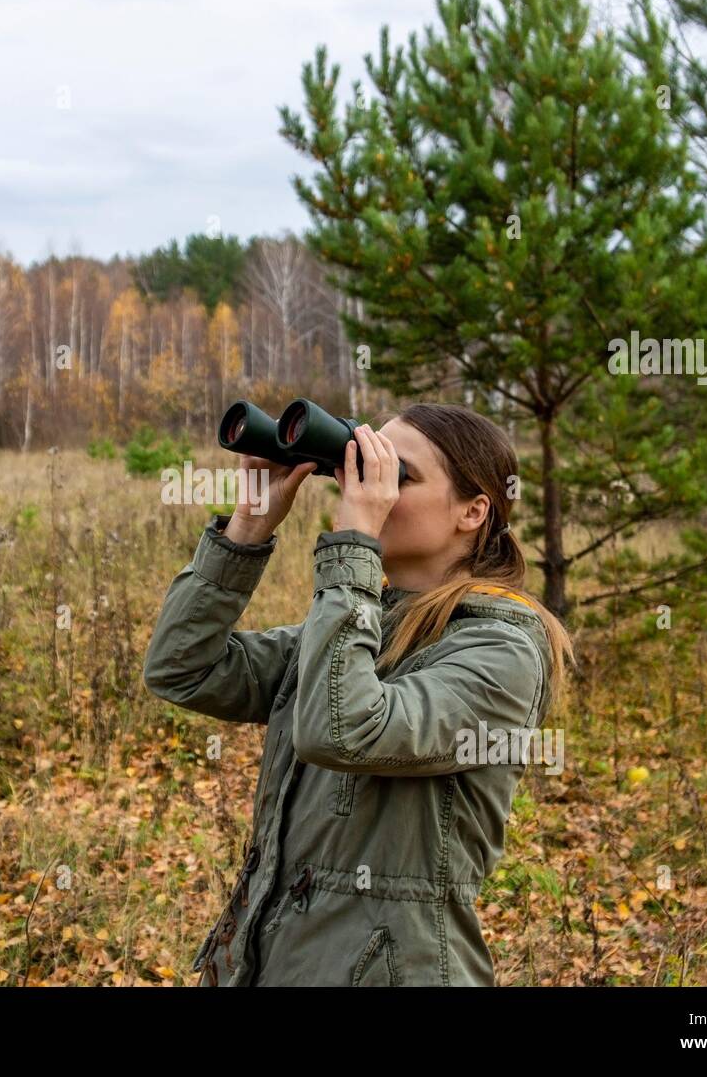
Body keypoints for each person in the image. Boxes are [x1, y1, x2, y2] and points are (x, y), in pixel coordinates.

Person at [142, 402, 574, 986]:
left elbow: (343, 730)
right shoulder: (366, 625)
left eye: (398, 474)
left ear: (473, 511)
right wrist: (247, 528)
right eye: (362, 463)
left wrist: (353, 550)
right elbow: (180, 668)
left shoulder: (504, 651)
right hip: (278, 961)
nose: (369, 488)